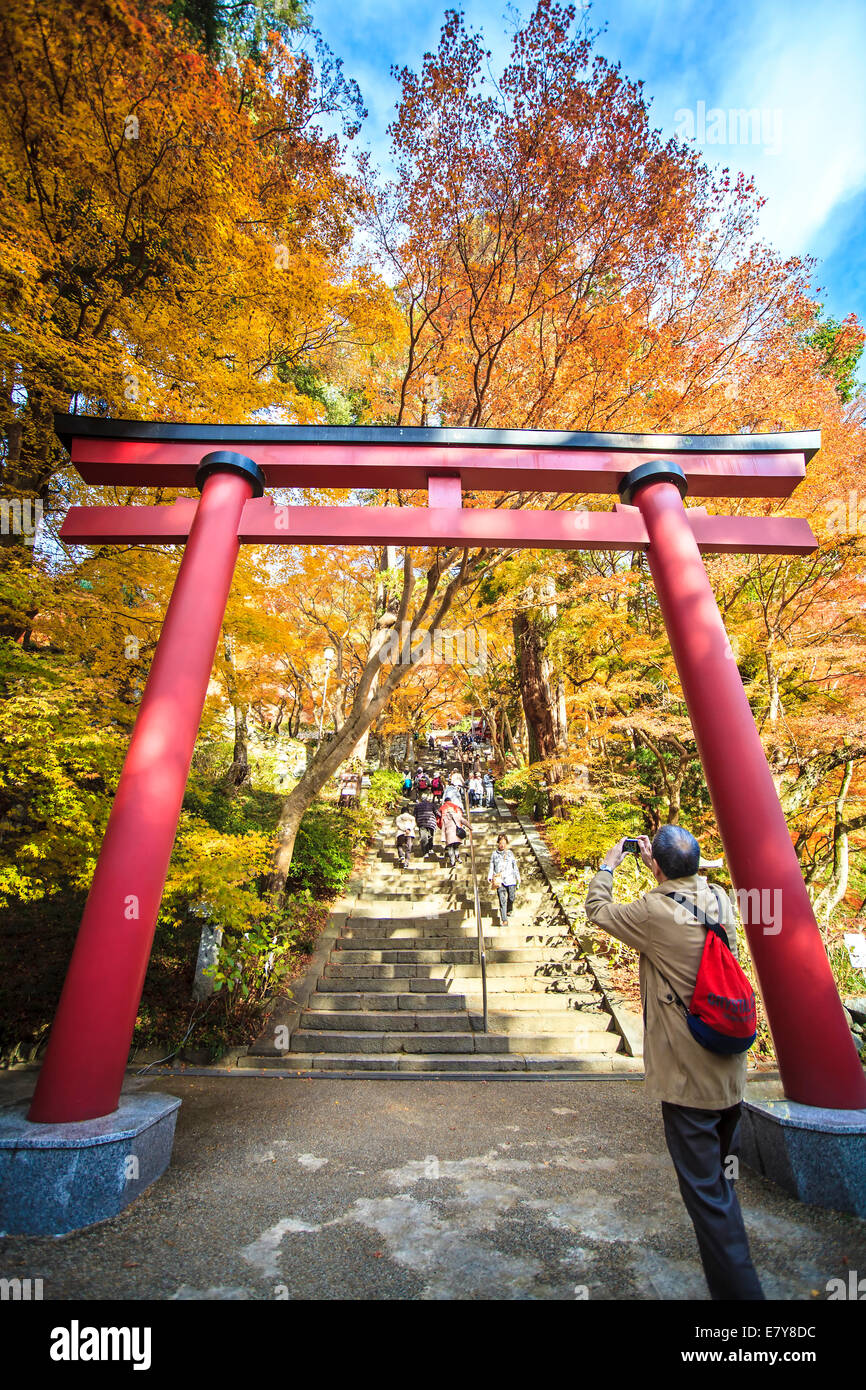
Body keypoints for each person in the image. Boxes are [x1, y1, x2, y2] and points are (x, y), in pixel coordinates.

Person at [584, 824, 764, 1302]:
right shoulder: (719, 899)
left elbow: (597, 910)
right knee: (723, 1188)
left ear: (656, 865)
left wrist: (609, 865)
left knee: (708, 1200)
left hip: (689, 1082)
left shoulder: (654, 911)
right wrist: (660, 867)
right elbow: (684, 889)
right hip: (730, 1076)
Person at [487, 833, 520, 928]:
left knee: (512, 897)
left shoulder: (510, 853)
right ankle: (504, 920)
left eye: (504, 843)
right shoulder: (494, 854)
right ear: (498, 843)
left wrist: (518, 877)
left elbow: (515, 866)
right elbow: (491, 865)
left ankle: (509, 909)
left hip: (511, 879)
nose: (502, 845)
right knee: (502, 900)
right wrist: (490, 876)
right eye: (501, 843)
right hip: (499, 880)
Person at [440, 794, 465, 868]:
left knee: (450, 847)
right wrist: (469, 827)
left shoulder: (443, 808)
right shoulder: (456, 807)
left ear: (445, 801)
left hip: (448, 832)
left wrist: (443, 838)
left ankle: (452, 862)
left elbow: (441, 823)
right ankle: (457, 855)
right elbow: (462, 819)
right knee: (456, 846)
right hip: (457, 832)